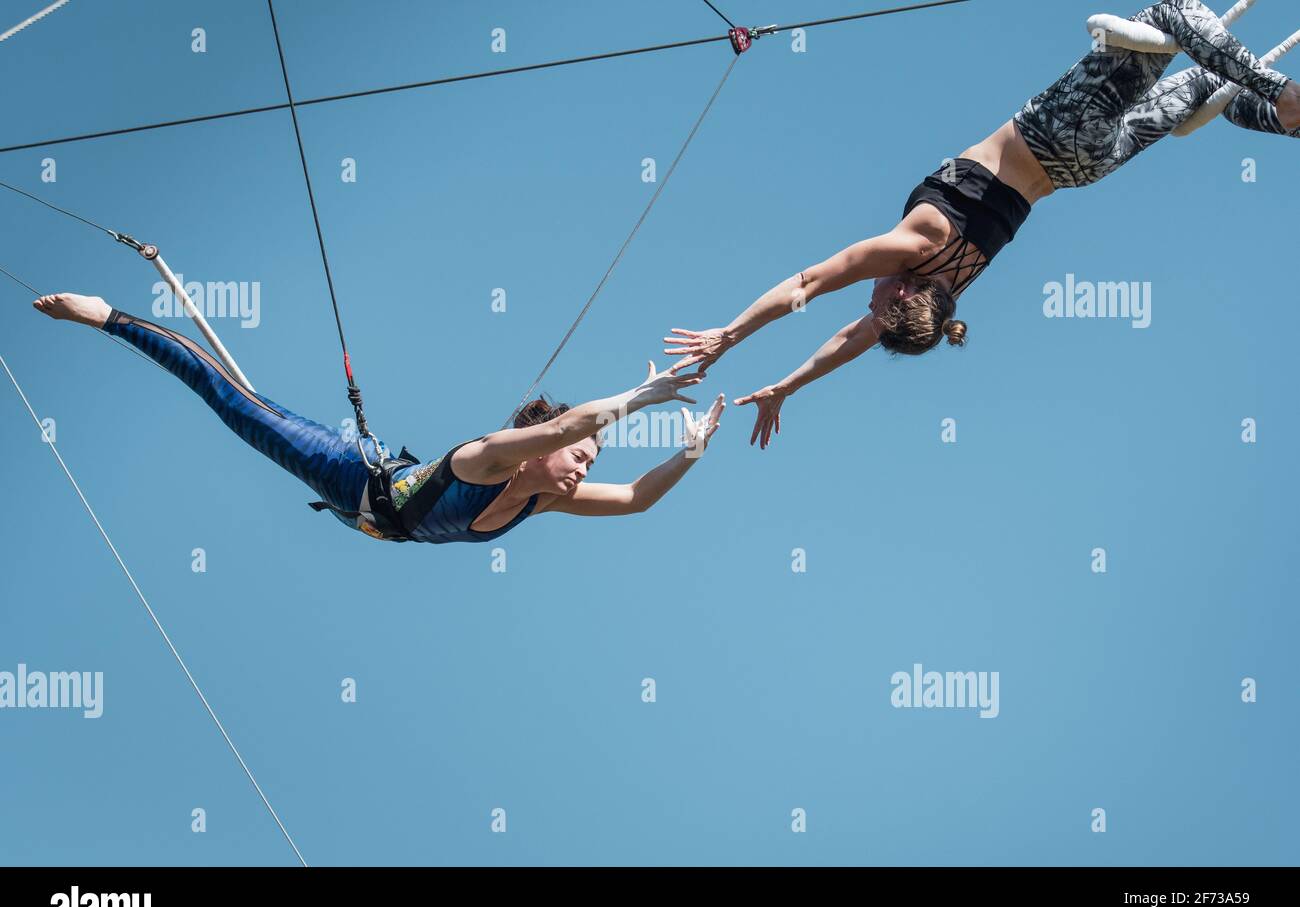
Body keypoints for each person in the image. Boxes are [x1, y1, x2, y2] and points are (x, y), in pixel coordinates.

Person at [662, 1, 1300, 448]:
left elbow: (848, 342)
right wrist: (730, 335)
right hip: (1060, 130)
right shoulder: (919, 244)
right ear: (904, 294)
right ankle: (1278, 91)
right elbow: (805, 286)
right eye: (882, 303)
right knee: (1173, 13)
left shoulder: (949, 291)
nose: (869, 302)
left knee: (1192, 96)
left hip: (1084, 170)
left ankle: (1283, 119)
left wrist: (786, 387)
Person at [32, 293, 724, 543]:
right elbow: (561, 431)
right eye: (583, 455)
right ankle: (111, 317)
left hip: (372, 522)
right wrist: (637, 401)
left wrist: (688, 456)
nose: (584, 467)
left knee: (238, 405)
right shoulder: (488, 458)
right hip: (348, 476)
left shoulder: (540, 503)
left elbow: (635, 500)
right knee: (232, 403)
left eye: (590, 463)